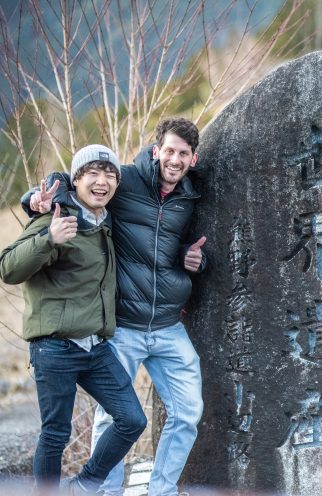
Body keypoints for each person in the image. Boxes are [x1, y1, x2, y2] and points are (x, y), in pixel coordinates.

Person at [25, 118, 206, 496]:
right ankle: (103, 491)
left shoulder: (191, 195)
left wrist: (197, 261)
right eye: (169, 151)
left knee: (188, 412)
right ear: (157, 151)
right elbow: (72, 179)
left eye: (183, 154)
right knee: (113, 417)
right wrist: (33, 200)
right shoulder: (124, 182)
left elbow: (194, 246)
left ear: (193, 158)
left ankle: (162, 490)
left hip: (170, 326)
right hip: (123, 324)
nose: (175, 159)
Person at [1, 145, 147, 495]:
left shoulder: (104, 221)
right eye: (92, 173)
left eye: (110, 174)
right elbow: (7, 268)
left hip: (95, 347)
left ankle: (83, 486)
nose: (102, 181)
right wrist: (47, 239)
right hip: (54, 346)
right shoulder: (55, 215)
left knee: (132, 419)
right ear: (76, 180)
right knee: (55, 433)